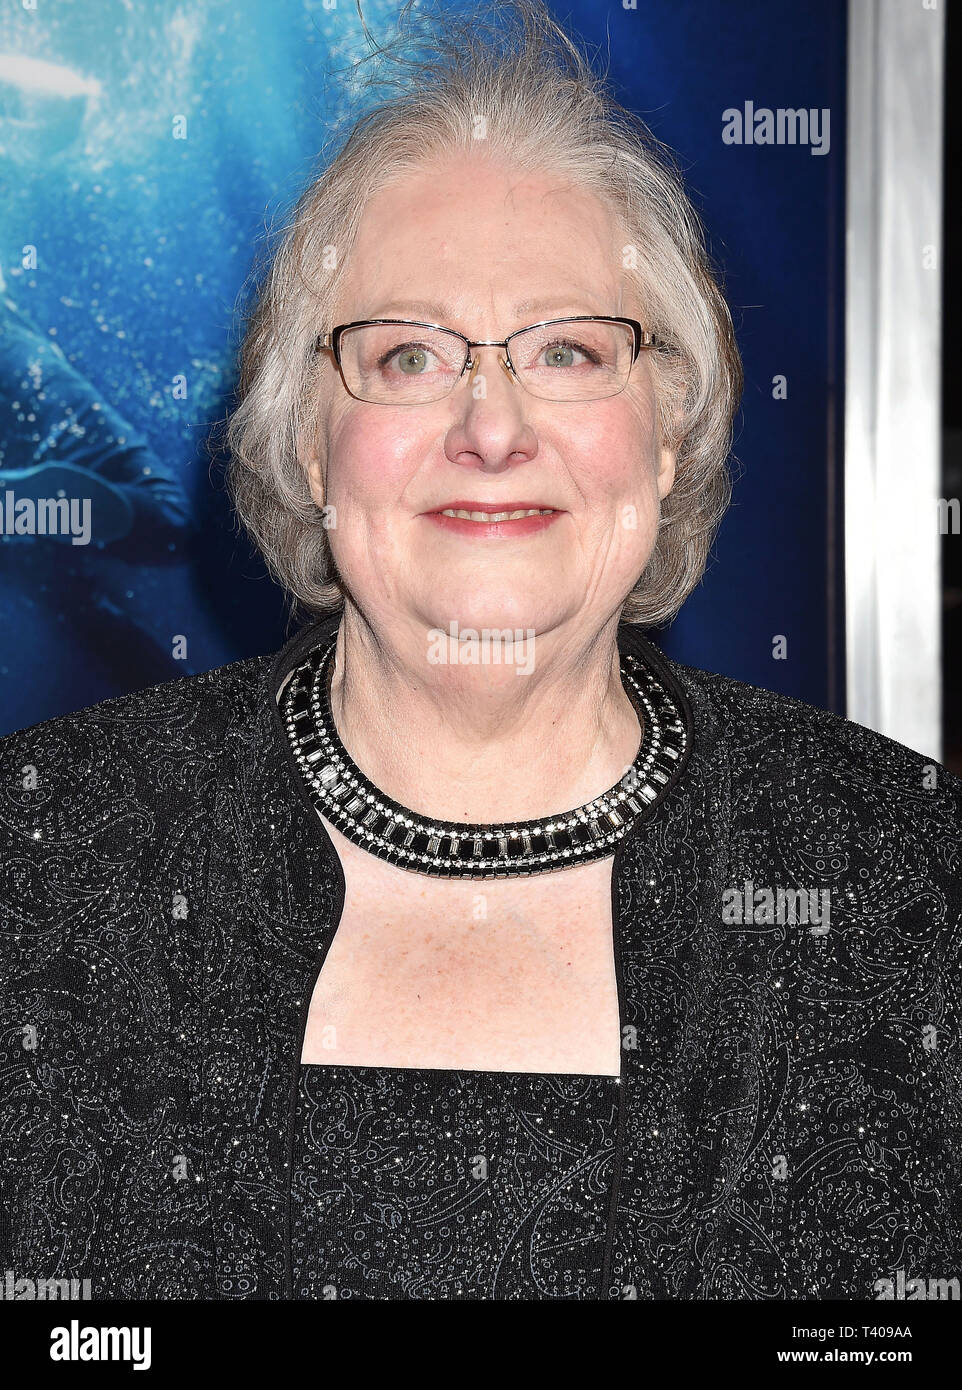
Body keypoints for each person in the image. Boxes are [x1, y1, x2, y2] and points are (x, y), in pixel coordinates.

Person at [2, 0, 960, 1302]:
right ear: (306, 445)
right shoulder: (38, 855)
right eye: (407, 354)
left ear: (667, 436)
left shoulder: (903, 870)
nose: (491, 427)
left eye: (568, 349)